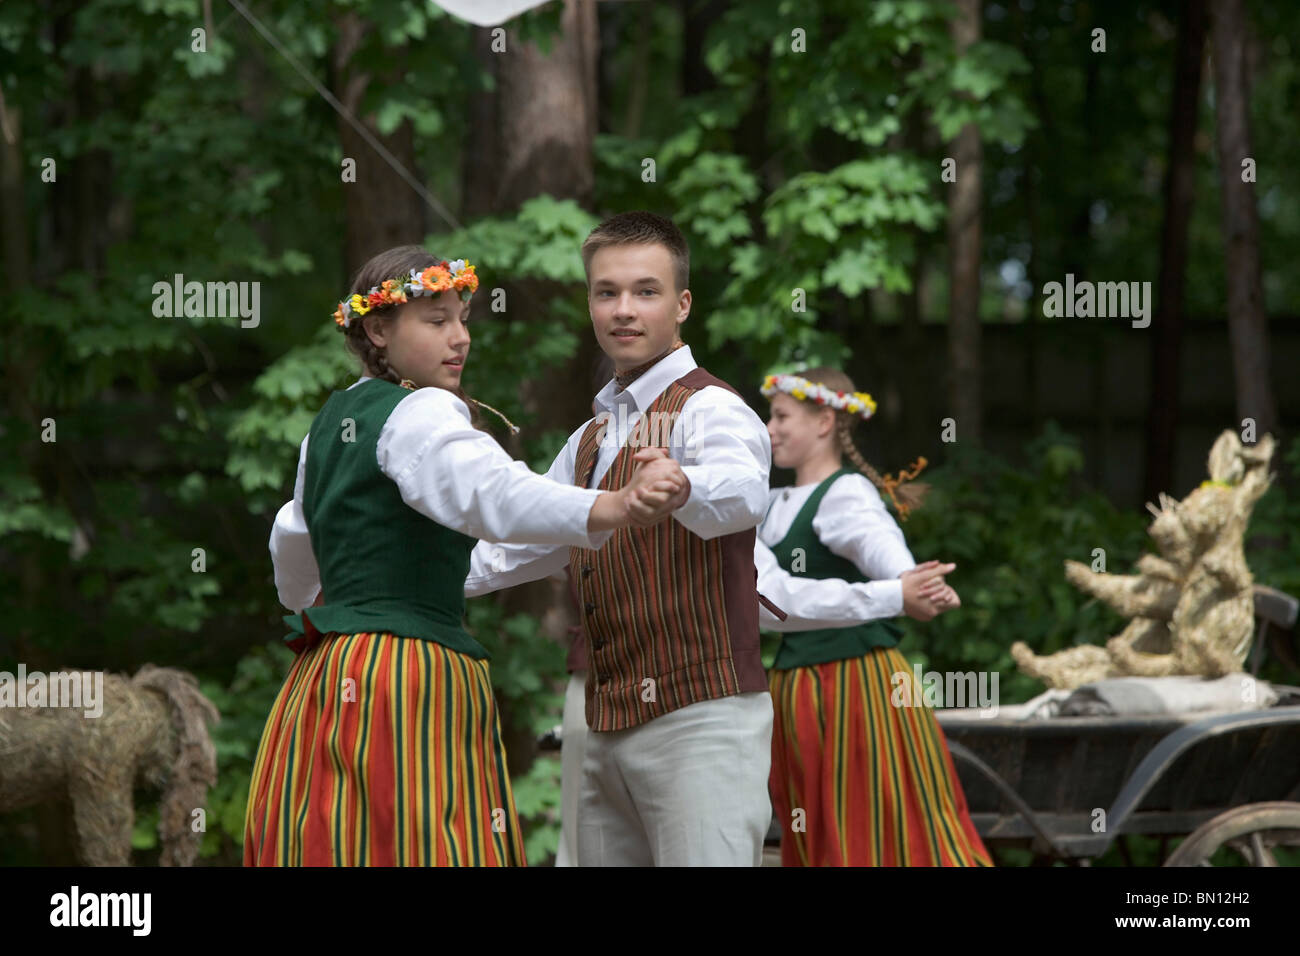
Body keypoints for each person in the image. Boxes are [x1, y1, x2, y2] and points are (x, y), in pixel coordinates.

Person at [244, 245, 685, 866]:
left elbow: (294, 549)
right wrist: (613, 506)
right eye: (436, 321)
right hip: (404, 674)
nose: (460, 338)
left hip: (326, 670)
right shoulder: (421, 409)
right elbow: (494, 494)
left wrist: (344, 609)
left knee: (340, 838)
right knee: (425, 838)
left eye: (462, 318)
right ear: (377, 329)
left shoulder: (329, 423)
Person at [465, 212, 775, 866]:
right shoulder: (589, 439)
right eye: (606, 292)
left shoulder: (708, 407)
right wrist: (389, 583)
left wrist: (685, 485)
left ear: (683, 304)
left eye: (646, 291)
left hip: (701, 716)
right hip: (598, 718)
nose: (623, 310)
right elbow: (513, 543)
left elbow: (745, 491)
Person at [757, 367, 992, 867]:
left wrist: (914, 583)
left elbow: (879, 545)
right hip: (797, 691)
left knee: (870, 822)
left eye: (781, 416)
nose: (770, 427)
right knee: (818, 821)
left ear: (824, 421)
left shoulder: (845, 494)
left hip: (853, 687)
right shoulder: (771, 503)